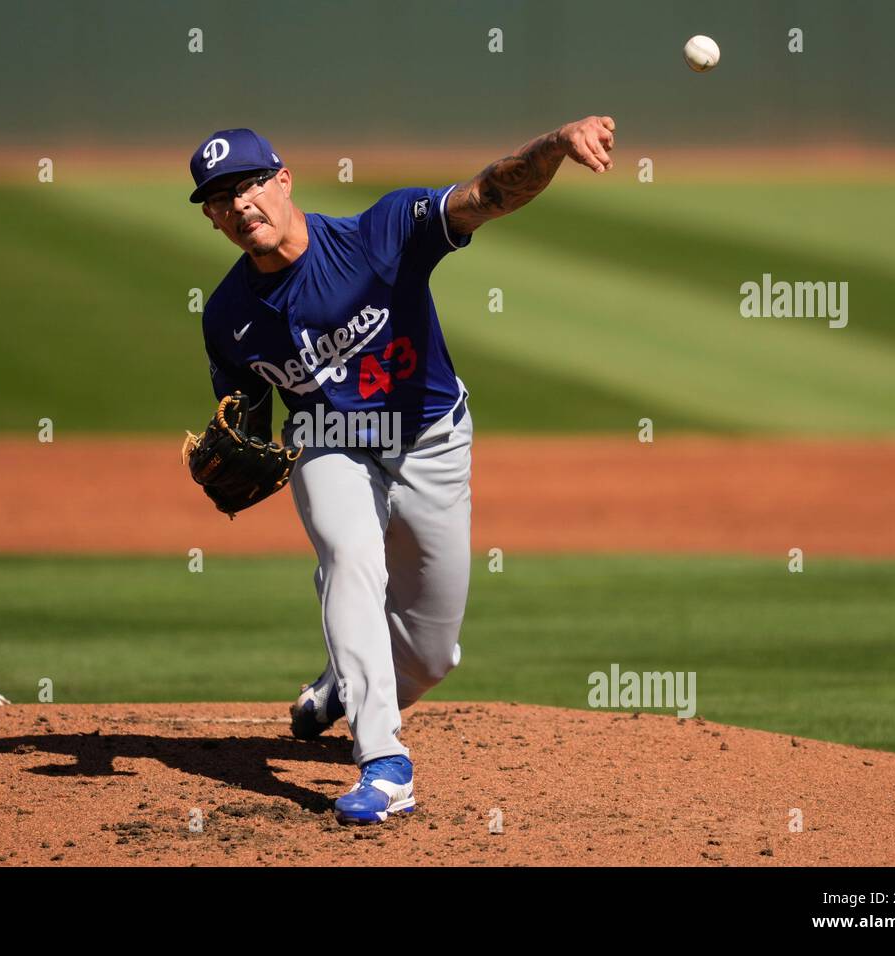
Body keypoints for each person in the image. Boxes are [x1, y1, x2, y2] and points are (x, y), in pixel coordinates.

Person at [188, 119, 616, 823]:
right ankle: (385, 764)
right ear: (210, 217)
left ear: (284, 179)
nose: (239, 205)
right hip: (329, 443)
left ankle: (340, 685)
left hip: (432, 443)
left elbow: (486, 194)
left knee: (433, 655)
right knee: (349, 556)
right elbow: (250, 423)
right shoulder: (228, 316)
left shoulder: (380, 234)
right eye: (220, 197)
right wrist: (234, 454)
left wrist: (555, 145)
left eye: (249, 184)